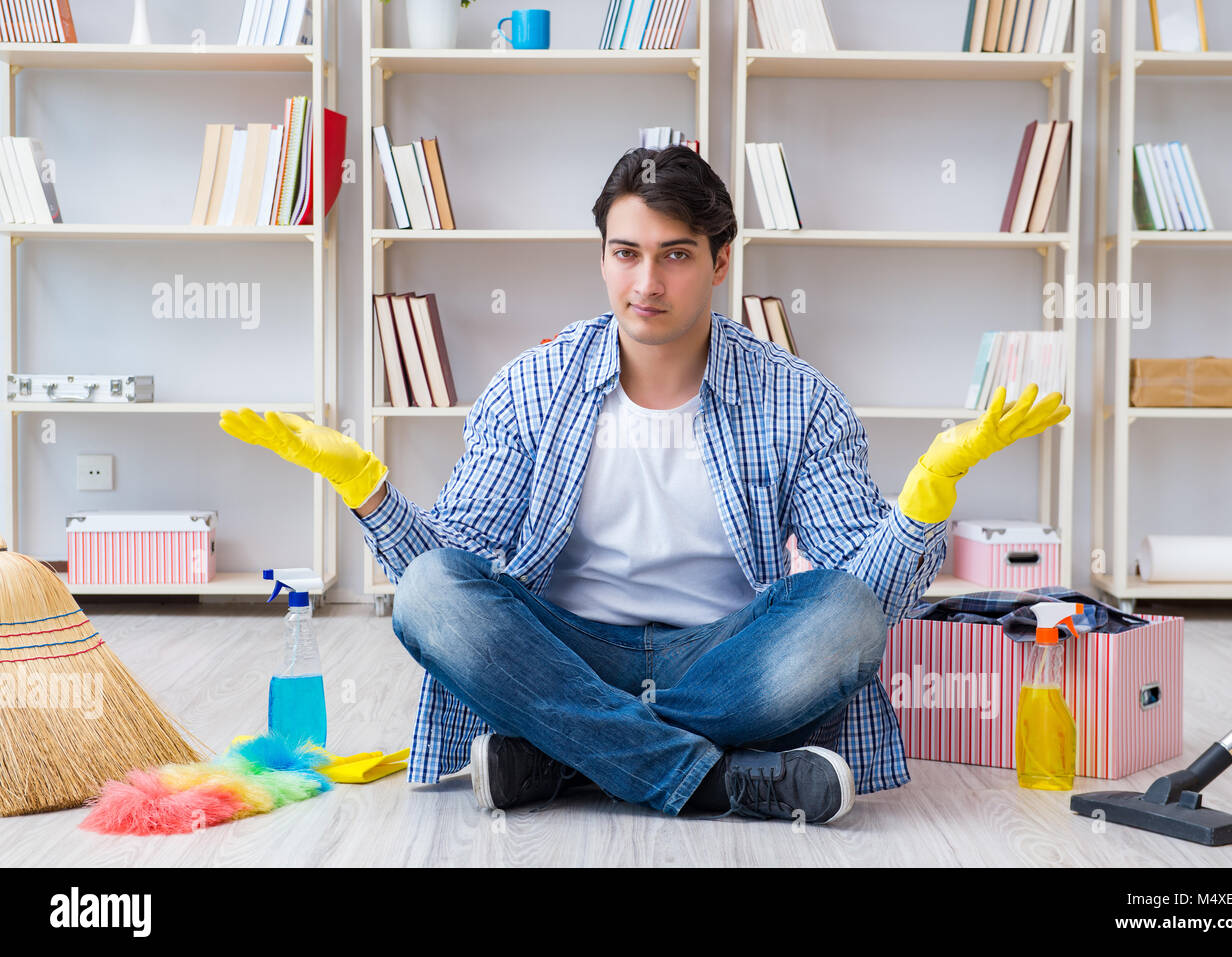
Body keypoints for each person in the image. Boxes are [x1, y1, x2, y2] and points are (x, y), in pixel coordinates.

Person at [220, 145, 1069, 826]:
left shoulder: (799, 397)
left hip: (726, 656)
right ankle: (721, 782)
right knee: (433, 593)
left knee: (840, 616)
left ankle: (562, 756)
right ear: (602, 257)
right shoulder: (532, 386)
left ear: (721, 260)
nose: (647, 284)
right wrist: (367, 489)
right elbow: (451, 571)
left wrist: (928, 494)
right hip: (565, 649)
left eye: (675, 256)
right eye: (626, 254)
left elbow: (863, 595)